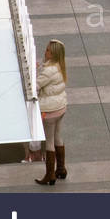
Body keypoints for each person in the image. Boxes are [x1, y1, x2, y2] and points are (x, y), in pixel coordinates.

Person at [34, 39, 68, 186]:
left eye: (48, 50)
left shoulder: (48, 71)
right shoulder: (60, 65)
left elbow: (35, 86)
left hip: (49, 111)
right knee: (58, 137)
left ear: (53, 54)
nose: (45, 51)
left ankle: (50, 174)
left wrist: (35, 72)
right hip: (61, 107)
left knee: (49, 142)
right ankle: (61, 169)